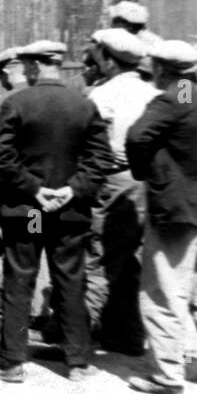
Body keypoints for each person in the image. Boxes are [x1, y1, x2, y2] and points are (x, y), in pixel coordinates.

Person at [0, 40, 112, 383]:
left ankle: (12, 361)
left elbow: (2, 158)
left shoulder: (17, 103)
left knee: (20, 278)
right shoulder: (84, 105)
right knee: (70, 281)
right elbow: (101, 159)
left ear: (32, 66)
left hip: (31, 210)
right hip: (69, 210)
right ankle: (78, 362)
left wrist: (35, 189)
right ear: (57, 64)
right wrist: (72, 189)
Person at [126, 41, 197, 394]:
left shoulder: (181, 95)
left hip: (178, 212)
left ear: (162, 69)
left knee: (164, 291)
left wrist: (147, 172)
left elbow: (138, 135)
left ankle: (167, 374)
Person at [81, 29, 157, 356]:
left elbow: (87, 147)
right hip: (146, 181)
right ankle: (128, 335)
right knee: (132, 259)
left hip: (111, 181)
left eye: (98, 59)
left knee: (99, 257)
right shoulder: (153, 93)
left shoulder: (100, 96)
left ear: (109, 61)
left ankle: (79, 337)